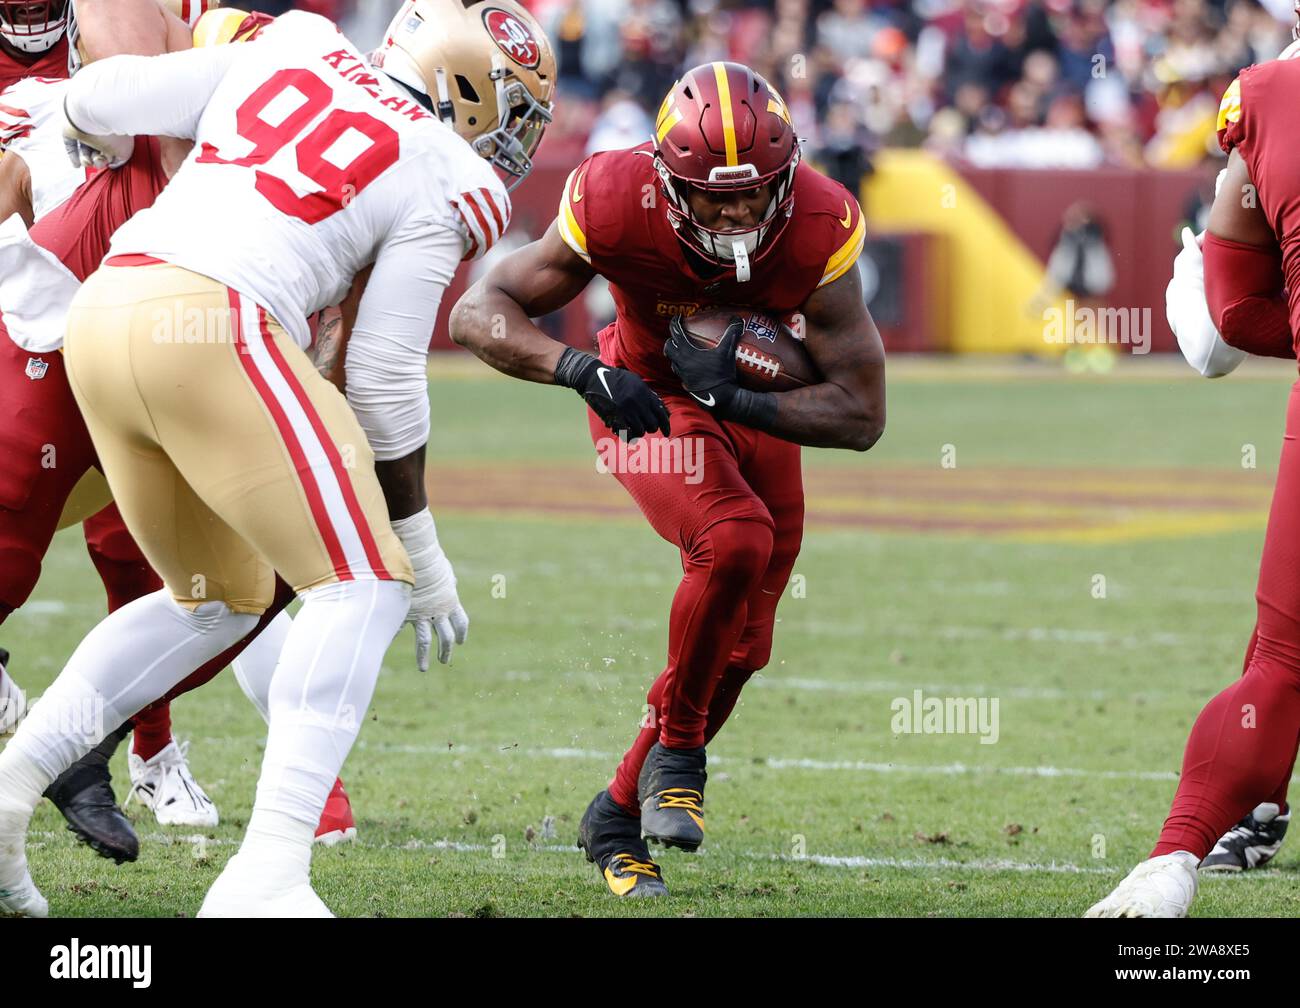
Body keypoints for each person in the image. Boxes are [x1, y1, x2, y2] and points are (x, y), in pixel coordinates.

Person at [0, 0, 554, 917]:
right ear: (471, 92)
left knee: (218, 600)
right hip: (215, 318)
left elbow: (103, 94)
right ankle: (267, 878)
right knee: (366, 582)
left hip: (104, 310)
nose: (519, 139)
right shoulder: (453, 173)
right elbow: (379, 378)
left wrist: (61, 131)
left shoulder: (298, 42)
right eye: (518, 111)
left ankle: (10, 794)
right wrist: (421, 549)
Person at [451, 61, 885, 897]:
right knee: (734, 540)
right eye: (713, 195)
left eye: (753, 192)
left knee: (745, 647)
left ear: (788, 171)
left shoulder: (823, 221)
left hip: (756, 409)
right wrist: (579, 369)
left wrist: (736, 393)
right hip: (647, 402)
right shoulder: (614, 199)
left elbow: (862, 416)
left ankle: (616, 808)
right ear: (665, 179)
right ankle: (680, 754)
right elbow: (480, 310)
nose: (736, 211)